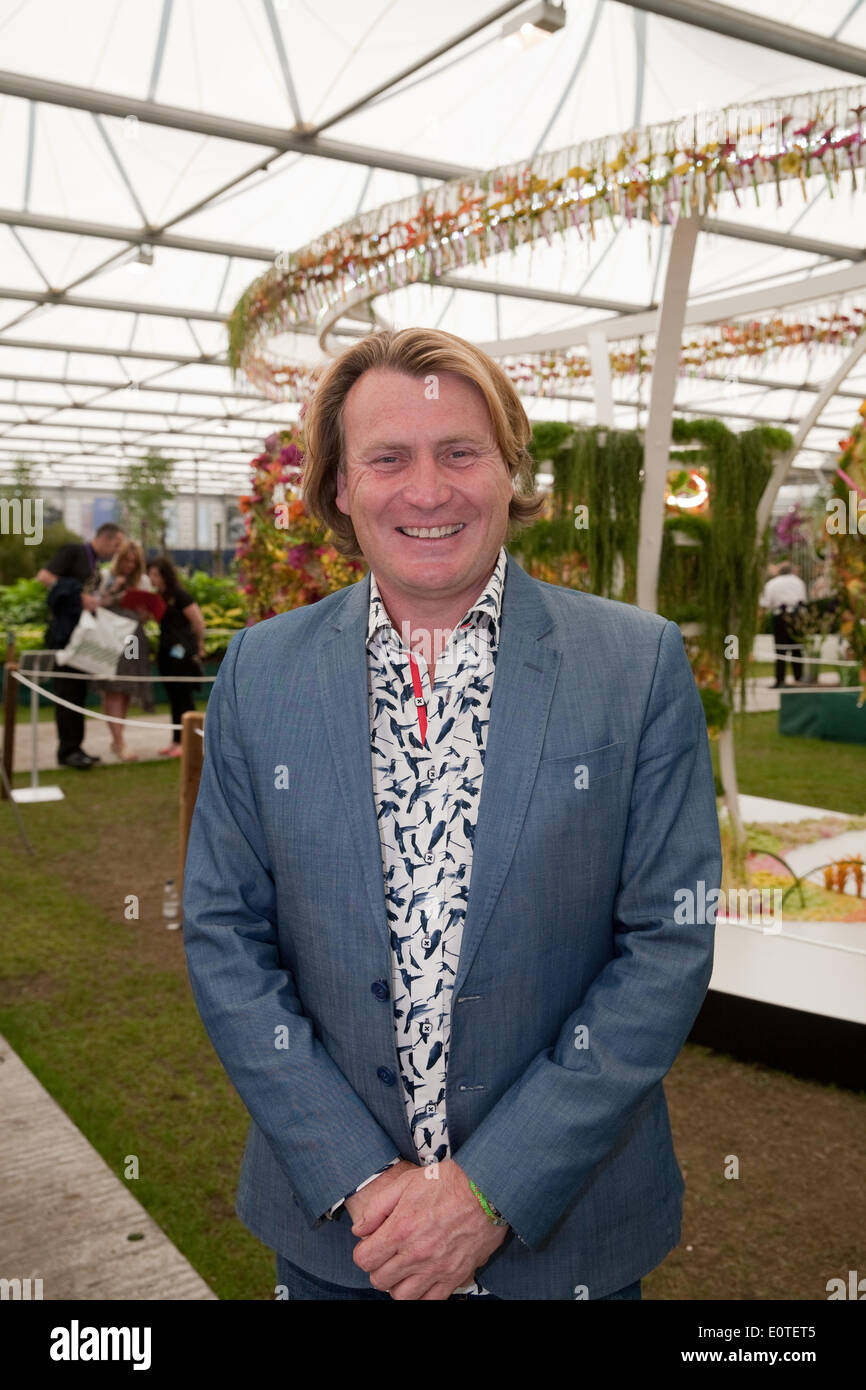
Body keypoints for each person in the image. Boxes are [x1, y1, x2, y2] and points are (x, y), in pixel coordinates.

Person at [182, 327, 722, 1301]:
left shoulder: (632, 666)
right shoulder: (262, 672)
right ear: (340, 488)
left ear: (508, 467)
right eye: (387, 457)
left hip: (564, 1245)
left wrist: (490, 1190)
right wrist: (358, 1172)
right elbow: (224, 933)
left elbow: (664, 946)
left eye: (459, 452)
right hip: (348, 1240)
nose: (426, 491)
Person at [35, 522, 126, 769]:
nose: (116, 551)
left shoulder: (94, 563)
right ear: (105, 538)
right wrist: (78, 596)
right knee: (67, 692)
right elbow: (45, 577)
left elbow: (88, 598)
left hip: (82, 635)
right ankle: (67, 751)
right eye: (116, 545)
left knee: (77, 693)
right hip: (65, 636)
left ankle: (75, 747)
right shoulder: (74, 551)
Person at [94, 540, 153, 761]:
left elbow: (146, 616)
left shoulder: (143, 581)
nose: (129, 565)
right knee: (113, 687)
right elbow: (96, 604)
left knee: (126, 687)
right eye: (126, 560)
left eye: (134, 562)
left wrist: (144, 611)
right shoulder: (105, 575)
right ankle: (119, 742)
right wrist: (114, 589)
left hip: (133, 638)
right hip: (110, 636)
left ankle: (117, 738)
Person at [146, 557, 206, 758]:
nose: (152, 578)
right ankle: (176, 740)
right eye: (150, 574)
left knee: (184, 698)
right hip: (165, 652)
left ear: (165, 575)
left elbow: (198, 621)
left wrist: (199, 646)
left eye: (156, 574)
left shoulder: (179, 595)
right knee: (173, 698)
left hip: (182, 653)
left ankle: (188, 742)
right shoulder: (158, 597)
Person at [759, 561, 809, 687]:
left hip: (780, 617)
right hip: (797, 617)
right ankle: (799, 677)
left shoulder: (772, 583)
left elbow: (765, 603)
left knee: (781, 650)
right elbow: (803, 600)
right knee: (797, 648)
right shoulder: (798, 582)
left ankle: (780, 680)